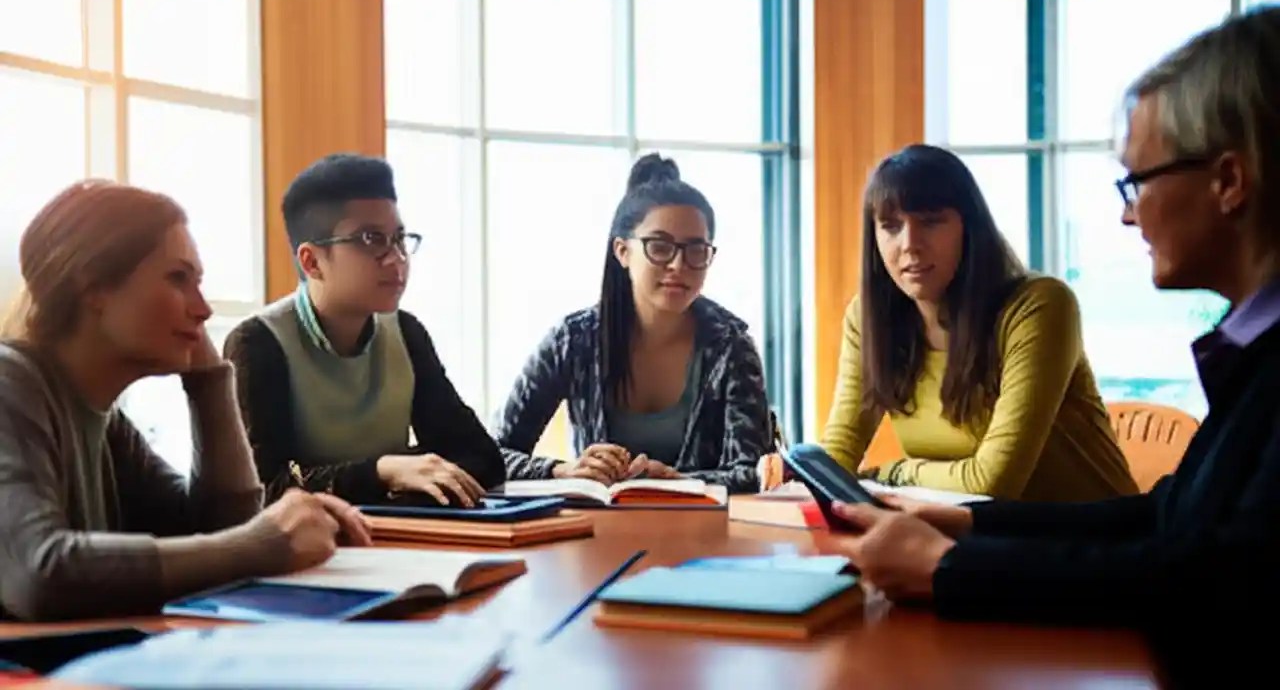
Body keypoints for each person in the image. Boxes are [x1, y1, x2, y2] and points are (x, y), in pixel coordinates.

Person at [826, 6, 1280, 684]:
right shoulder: (1255, 352)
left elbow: (1217, 578)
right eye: (890, 226)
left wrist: (948, 564)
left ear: (1228, 182)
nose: (1128, 213)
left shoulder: (1043, 306)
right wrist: (967, 532)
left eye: (1139, 182)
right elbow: (1169, 521)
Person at [0, 180, 370, 621]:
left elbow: (220, 531)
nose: (204, 309)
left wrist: (210, 384)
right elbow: (38, 573)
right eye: (179, 278)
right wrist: (265, 544)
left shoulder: (106, 421)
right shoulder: (11, 385)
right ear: (93, 287)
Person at [820, 144, 1136, 501]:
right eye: (891, 226)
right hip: (972, 538)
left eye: (930, 221)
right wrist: (804, 478)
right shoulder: (869, 319)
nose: (909, 245)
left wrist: (894, 473)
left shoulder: (1038, 307)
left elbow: (993, 483)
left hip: (1094, 543)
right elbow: (839, 453)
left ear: (968, 227)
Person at [224, 154, 504, 507]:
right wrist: (382, 471)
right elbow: (266, 489)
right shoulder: (257, 343)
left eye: (399, 238)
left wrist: (400, 474)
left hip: (397, 544)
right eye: (371, 239)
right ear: (312, 261)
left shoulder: (405, 332)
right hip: (306, 556)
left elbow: (482, 459)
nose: (396, 259)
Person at [494, 154, 772, 493]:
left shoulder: (731, 346)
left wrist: (681, 483)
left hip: (703, 534)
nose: (678, 264)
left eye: (696, 250)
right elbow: (491, 455)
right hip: (594, 534)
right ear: (622, 251)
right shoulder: (573, 341)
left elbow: (755, 472)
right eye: (660, 247)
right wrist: (561, 471)